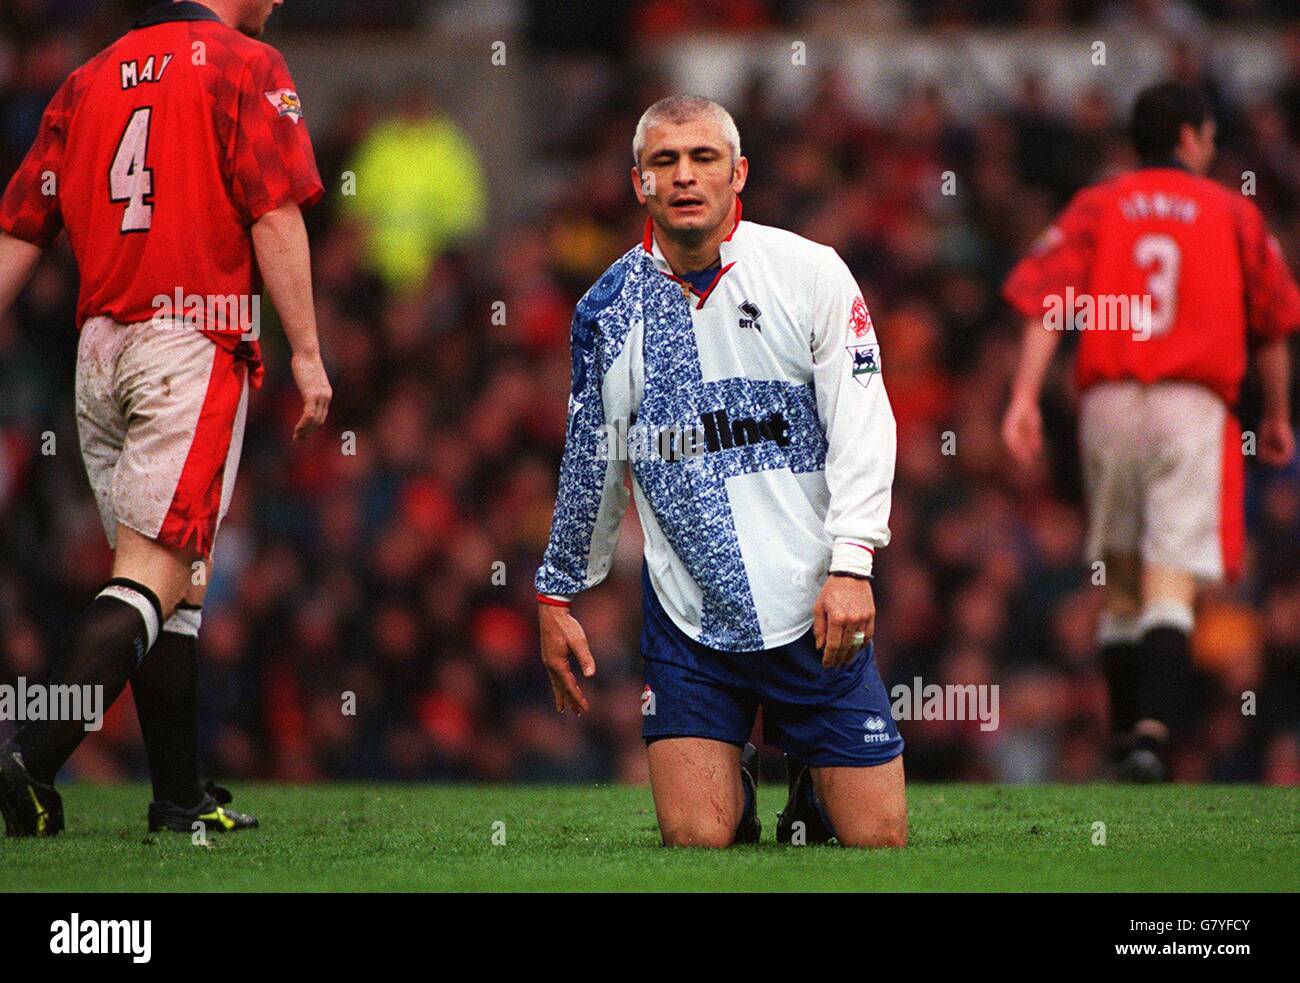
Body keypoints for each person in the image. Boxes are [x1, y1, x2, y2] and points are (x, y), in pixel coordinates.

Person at [535, 95, 906, 848]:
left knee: (877, 840)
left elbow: (864, 421)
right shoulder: (606, 310)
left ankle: (808, 771)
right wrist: (557, 592)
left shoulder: (810, 273)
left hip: (815, 605)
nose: (684, 176)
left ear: (738, 173)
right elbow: (592, 457)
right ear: (638, 181)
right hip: (691, 619)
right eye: (663, 161)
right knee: (697, 839)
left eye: (703, 158)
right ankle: (732, 771)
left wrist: (854, 562)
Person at [0, 0, 331, 836]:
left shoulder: (86, 75)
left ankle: (179, 797)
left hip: (100, 349)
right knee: (153, 574)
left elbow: (18, 227)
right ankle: (26, 757)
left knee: (168, 584)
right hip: (189, 342)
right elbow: (275, 211)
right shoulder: (245, 65)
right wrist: (306, 353)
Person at [1001, 82, 1300, 782]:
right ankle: (1153, 739)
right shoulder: (1232, 210)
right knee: (1171, 575)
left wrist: (1022, 397)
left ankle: (1124, 735)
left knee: (1122, 579)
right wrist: (1280, 414)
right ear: (1193, 137)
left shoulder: (1098, 203)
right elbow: (1275, 322)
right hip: (1189, 401)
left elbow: (1048, 301)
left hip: (1109, 401)